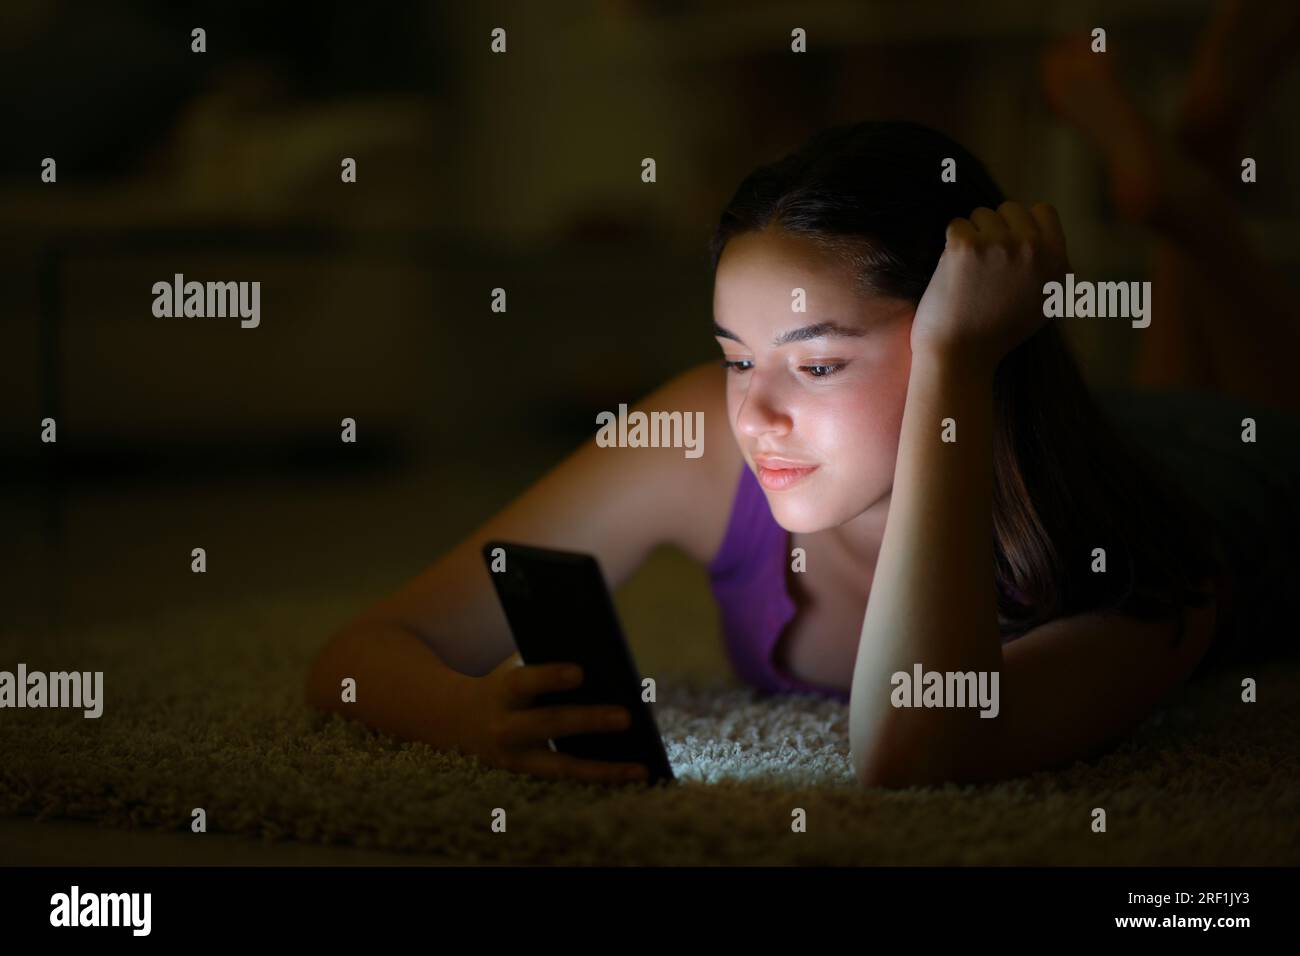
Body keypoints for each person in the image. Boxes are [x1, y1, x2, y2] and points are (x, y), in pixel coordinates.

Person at [305, 6, 1300, 788]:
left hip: (1233, 484)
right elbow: (359, 653)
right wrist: (467, 717)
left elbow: (915, 751)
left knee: (1258, 417)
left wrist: (954, 364)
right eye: (737, 356)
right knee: (1154, 395)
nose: (756, 415)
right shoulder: (706, 431)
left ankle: (1193, 194)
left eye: (818, 363)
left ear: (978, 335)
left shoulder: (1140, 569)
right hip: (1067, 421)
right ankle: (1181, 181)